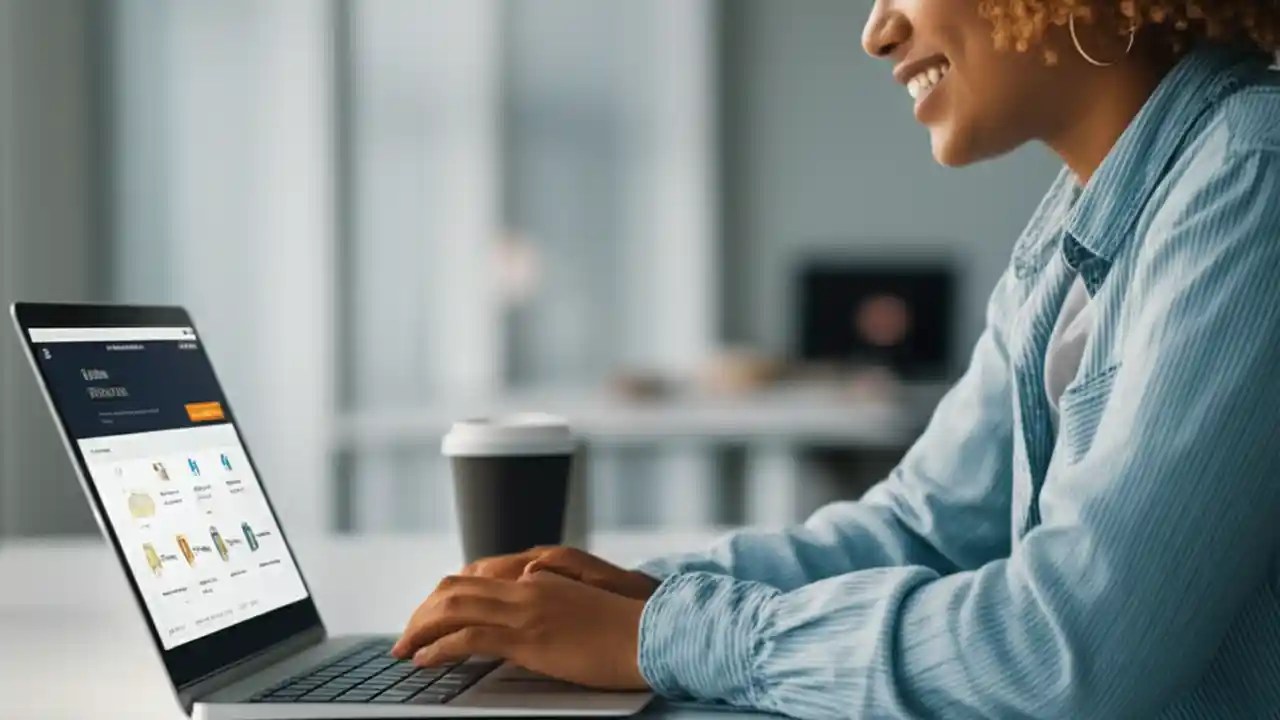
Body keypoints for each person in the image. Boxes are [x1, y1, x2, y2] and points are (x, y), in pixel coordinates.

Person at [392, 1, 1280, 716]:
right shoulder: (1069, 240)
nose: (876, 30)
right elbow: (921, 531)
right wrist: (638, 596)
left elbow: (1070, 648)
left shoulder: (1251, 177)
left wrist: (661, 636)